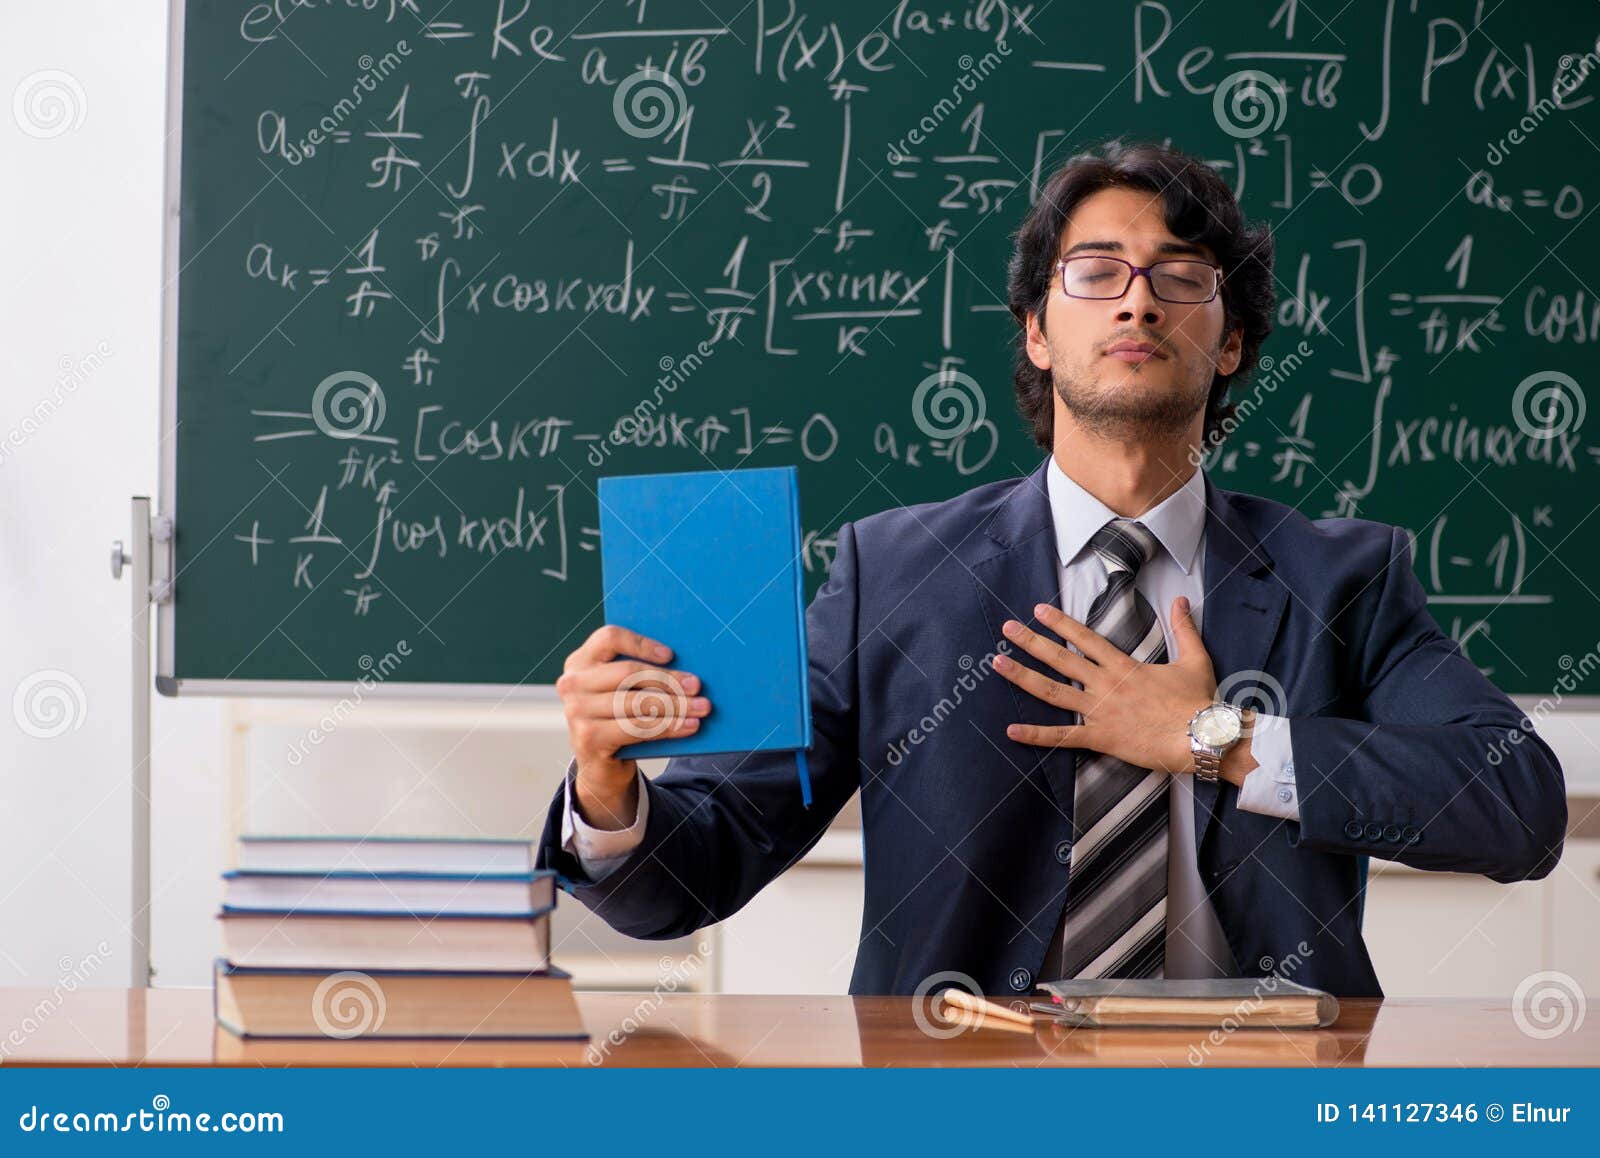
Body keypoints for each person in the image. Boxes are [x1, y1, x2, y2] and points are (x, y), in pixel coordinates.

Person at [538, 140, 1567, 997]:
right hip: (965, 1099)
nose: (1137, 303)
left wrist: (1212, 739)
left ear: (1233, 343)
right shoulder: (892, 575)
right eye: (1096, 271)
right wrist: (606, 782)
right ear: (1036, 330)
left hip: (1262, 1099)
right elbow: (690, 875)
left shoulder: (1343, 578)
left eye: (1180, 277)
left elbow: (1518, 809)